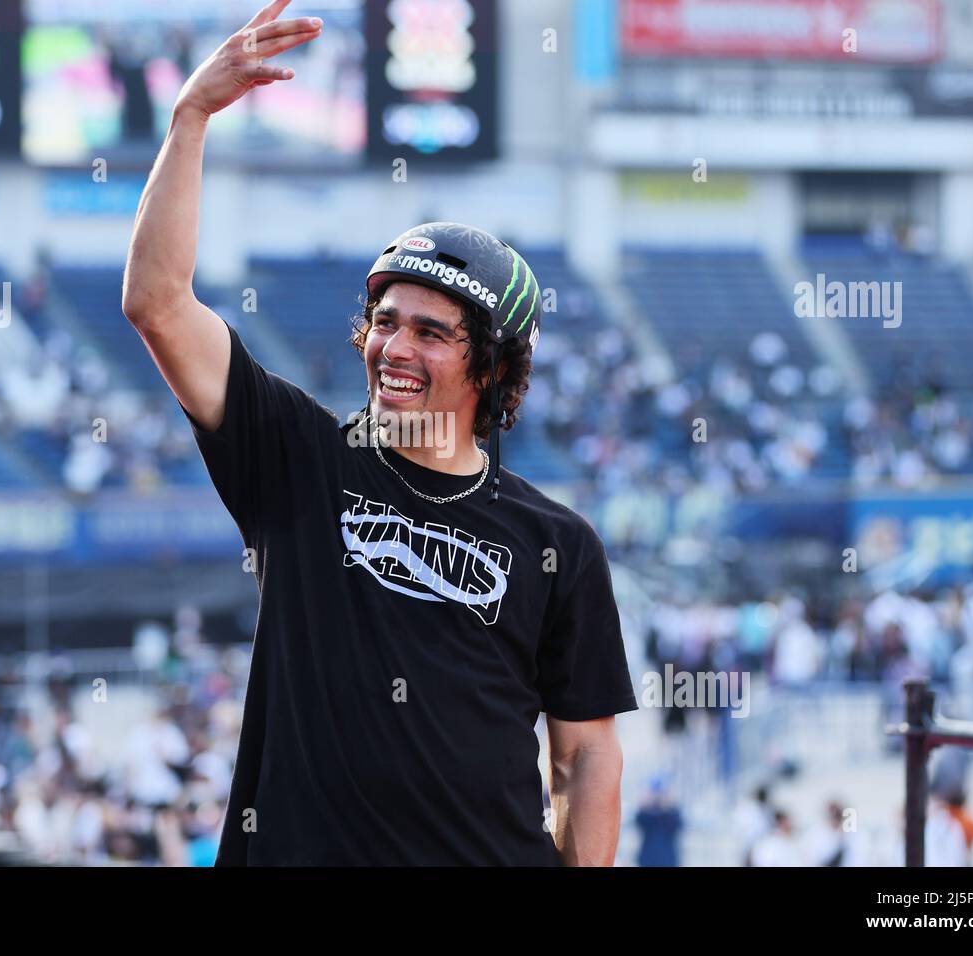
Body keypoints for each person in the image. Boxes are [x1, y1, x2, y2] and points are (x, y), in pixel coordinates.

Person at [122, 0, 637, 866]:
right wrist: (191, 116)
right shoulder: (297, 458)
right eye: (385, 321)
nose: (394, 347)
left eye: (431, 332)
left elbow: (585, 754)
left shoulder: (559, 544)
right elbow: (158, 304)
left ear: (494, 367)